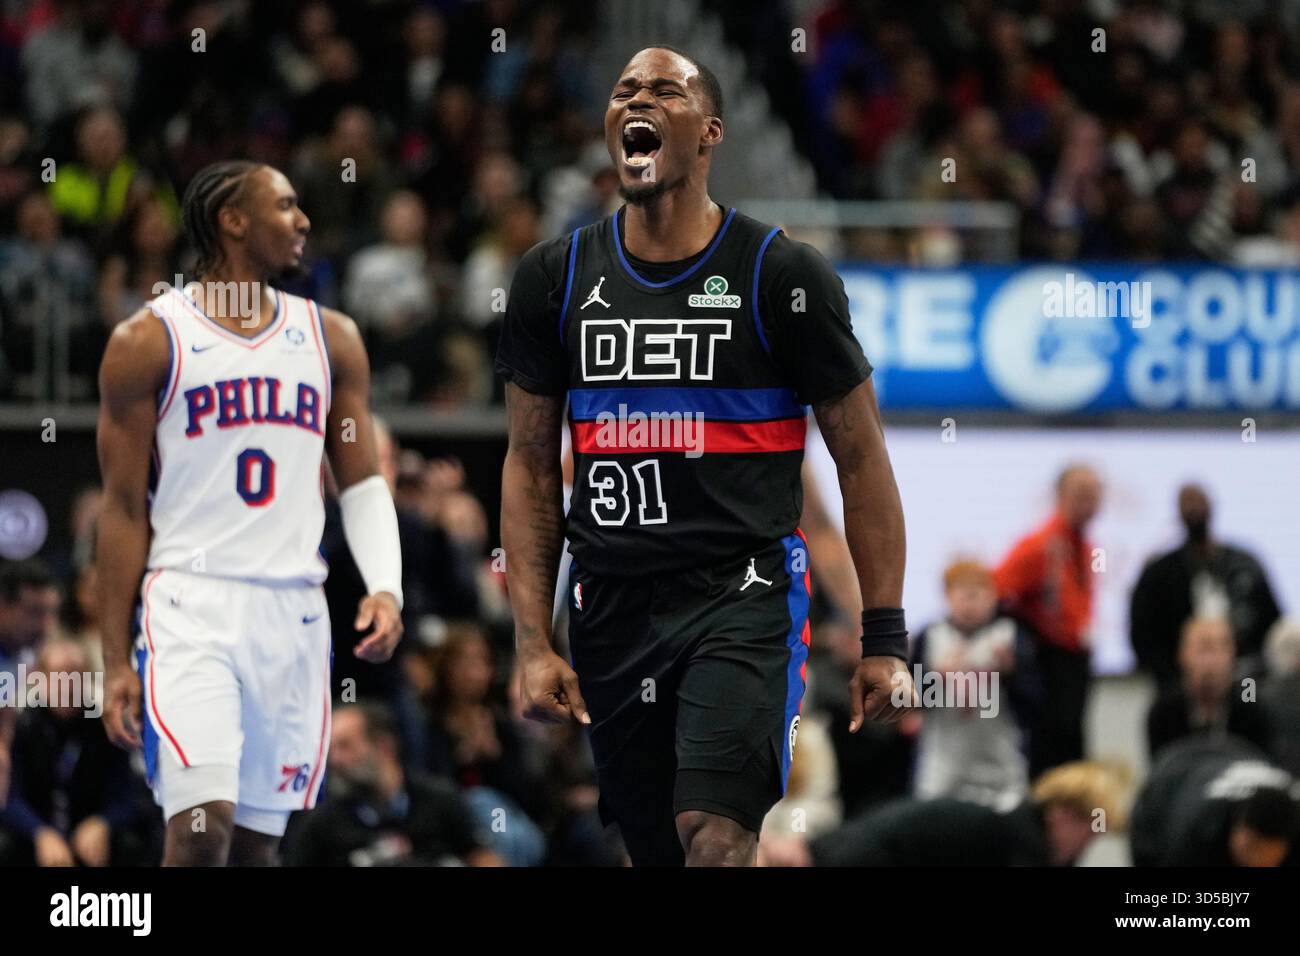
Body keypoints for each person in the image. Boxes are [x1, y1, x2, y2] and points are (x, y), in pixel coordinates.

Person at [495, 46, 914, 867]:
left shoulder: (782, 274)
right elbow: (529, 464)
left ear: (710, 132)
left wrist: (884, 634)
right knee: (657, 850)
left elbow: (860, 458)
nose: (635, 101)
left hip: (743, 592)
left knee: (716, 835)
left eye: (663, 90)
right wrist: (533, 641)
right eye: (623, 91)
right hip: (611, 603)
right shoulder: (553, 277)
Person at [95, 160, 404, 866]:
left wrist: (386, 585)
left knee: (260, 850)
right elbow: (119, 510)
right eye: (286, 206)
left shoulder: (331, 337)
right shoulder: (146, 341)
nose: (303, 221)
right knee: (202, 831)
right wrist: (115, 660)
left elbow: (360, 483)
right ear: (233, 221)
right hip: (191, 605)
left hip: (293, 612)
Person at [761, 760, 1124, 867]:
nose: (1086, 846)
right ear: (1062, 814)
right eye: (1090, 831)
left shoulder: (1014, 827)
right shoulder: (1022, 842)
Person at [282, 703, 499, 867]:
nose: (335, 760)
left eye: (346, 746)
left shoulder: (440, 800)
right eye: (333, 749)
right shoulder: (321, 824)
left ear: (383, 747)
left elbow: (482, 856)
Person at [0, 639, 154, 866]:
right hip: (37, 839)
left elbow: (129, 797)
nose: (66, 686)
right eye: (57, 677)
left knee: (131, 843)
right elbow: (10, 799)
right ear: (40, 680)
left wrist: (103, 823)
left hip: (89, 839)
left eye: (74, 676)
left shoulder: (103, 727)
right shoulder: (24, 726)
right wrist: (39, 833)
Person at [995, 464, 1103, 775]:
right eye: (1081, 494)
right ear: (1060, 496)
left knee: (1073, 747)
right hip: (1049, 666)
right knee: (1052, 751)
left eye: (1094, 495)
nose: (1089, 503)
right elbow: (998, 592)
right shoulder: (1039, 546)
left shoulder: (1082, 545)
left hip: (1074, 664)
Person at [910, 559, 1042, 811]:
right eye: (962, 596)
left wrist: (1011, 673)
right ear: (947, 597)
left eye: (977, 596)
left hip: (1001, 767)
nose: (969, 605)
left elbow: (1036, 701)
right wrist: (937, 678)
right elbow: (908, 702)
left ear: (992, 596)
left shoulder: (1010, 635)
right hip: (941, 767)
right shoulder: (931, 636)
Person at [1130, 484, 1281, 689]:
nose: (1194, 510)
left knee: (1249, 709)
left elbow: (1273, 623)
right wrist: (1169, 676)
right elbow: (1142, 635)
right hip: (1179, 684)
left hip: (1246, 679)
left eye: (1198, 503)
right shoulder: (1160, 573)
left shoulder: (1245, 566)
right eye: (1187, 504)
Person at [1130, 737, 1298, 867]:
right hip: (1171, 781)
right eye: (1249, 846)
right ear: (1237, 828)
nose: (1252, 856)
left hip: (1239, 755)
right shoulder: (1200, 834)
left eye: (1260, 849)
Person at [1146, 616, 1272, 760]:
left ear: (1233, 655)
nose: (1211, 660)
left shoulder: (1251, 710)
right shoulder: (1163, 713)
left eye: (1221, 648)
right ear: (1182, 655)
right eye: (1204, 648)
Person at [0, 560, 62, 811]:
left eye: (52, 613)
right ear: (3, 605)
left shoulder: (27, 657)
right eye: (35, 612)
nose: (46, 625)